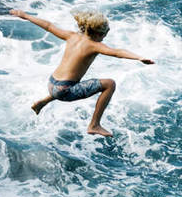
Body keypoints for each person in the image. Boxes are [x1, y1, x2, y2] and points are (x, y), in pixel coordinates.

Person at [10, 8, 154, 137]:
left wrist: (25, 15)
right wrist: (139, 57)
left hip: (52, 83)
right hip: (64, 90)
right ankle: (94, 125)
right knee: (109, 84)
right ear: (98, 33)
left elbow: (48, 26)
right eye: (105, 33)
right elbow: (117, 52)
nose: (105, 36)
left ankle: (43, 102)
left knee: (72, 81)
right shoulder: (95, 45)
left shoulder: (72, 36)